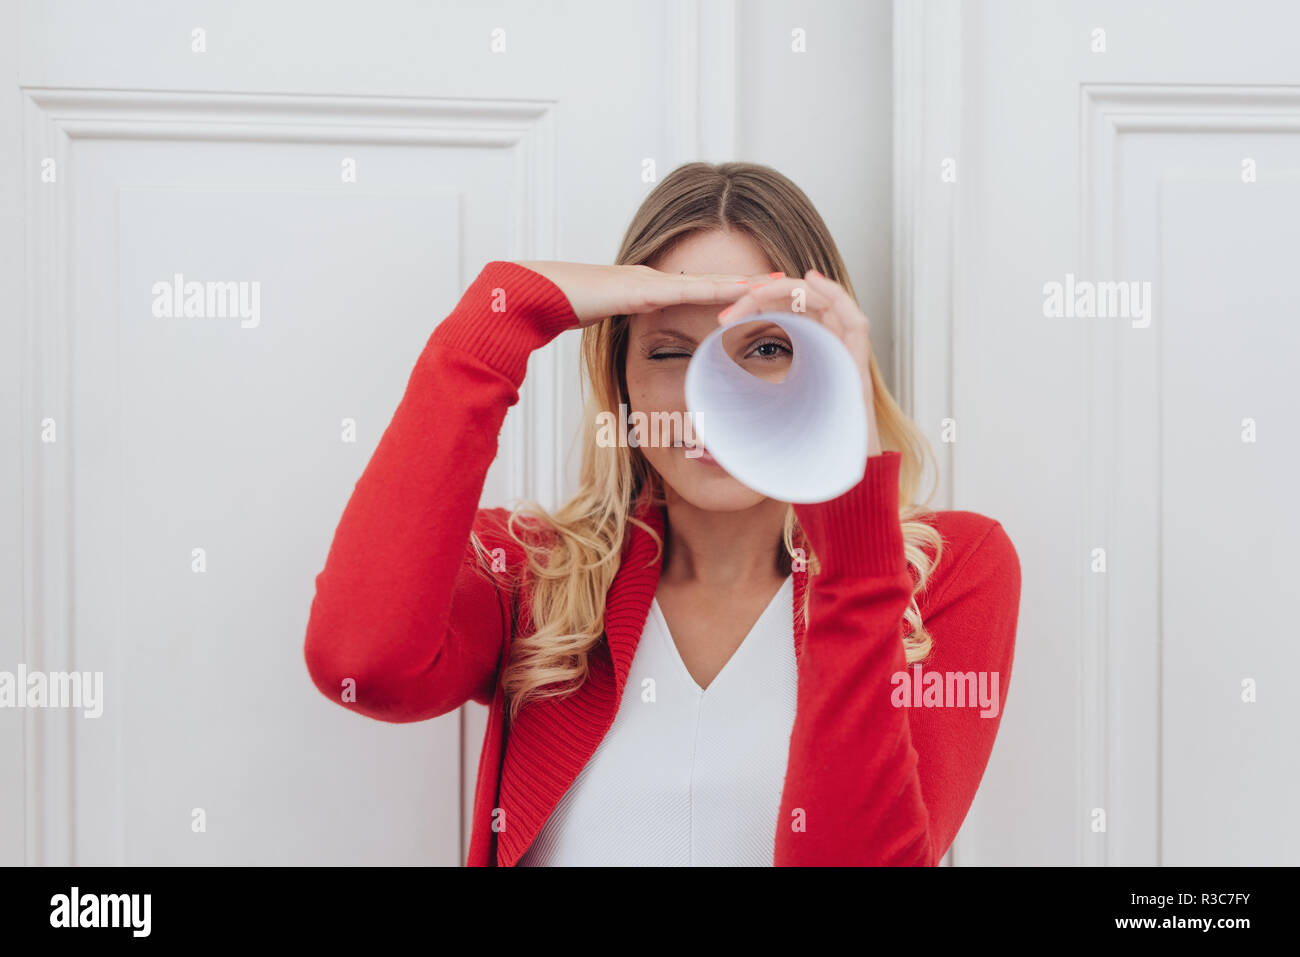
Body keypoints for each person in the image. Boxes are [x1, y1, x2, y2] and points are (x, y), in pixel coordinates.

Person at [303, 161, 1022, 866]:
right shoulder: (535, 576)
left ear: (831, 362)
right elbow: (361, 661)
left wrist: (852, 521)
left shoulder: (943, 573)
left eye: (767, 347)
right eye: (671, 353)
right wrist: (500, 316)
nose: (710, 401)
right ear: (622, 382)